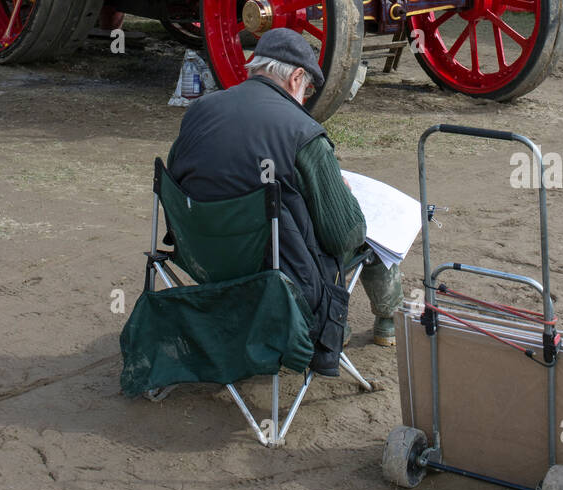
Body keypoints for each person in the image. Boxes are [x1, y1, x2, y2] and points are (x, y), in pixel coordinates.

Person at [166, 28, 403, 375]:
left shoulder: (200, 110)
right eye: (307, 89)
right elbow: (344, 236)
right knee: (374, 235)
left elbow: (177, 180)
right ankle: (386, 322)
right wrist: (343, 197)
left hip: (201, 261)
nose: (305, 98)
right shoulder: (302, 131)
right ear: (295, 78)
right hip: (278, 278)